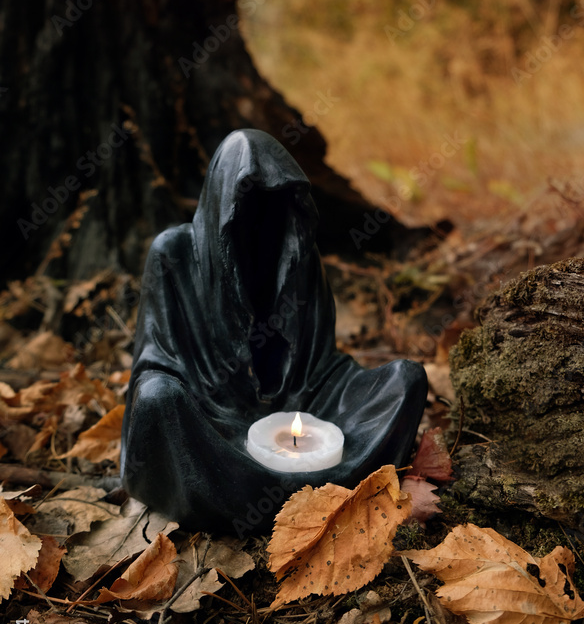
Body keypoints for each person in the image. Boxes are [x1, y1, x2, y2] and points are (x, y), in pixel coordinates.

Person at [121, 129, 427, 535]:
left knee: (405, 380)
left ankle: (252, 490)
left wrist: (329, 397)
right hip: (210, 416)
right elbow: (155, 363)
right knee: (159, 399)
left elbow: (323, 366)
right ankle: (282, 492)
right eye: (245, 204)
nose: (258, 218)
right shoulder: (173, 253)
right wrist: (203, 401)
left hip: (304, 400)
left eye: (273, 204)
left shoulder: (300, 257)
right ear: (220, 202)